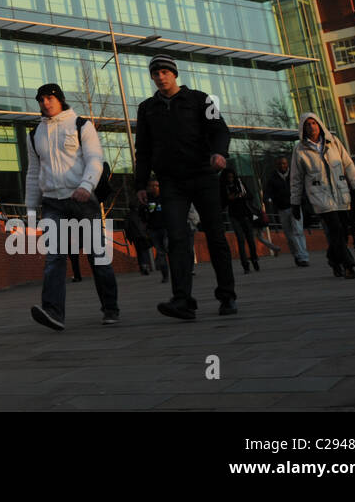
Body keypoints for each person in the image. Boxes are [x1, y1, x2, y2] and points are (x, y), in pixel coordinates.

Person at [133, 54, 236, 321]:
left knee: (215, 236)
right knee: (177, 239)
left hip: (203, 176)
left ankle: (227, 296)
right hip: (171, 182)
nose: (160, 76)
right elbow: (142, 150)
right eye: (155, 73)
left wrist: (219, 154)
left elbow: (221, 131)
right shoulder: (146, 109)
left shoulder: (203, 99)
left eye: (165, 71)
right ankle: (182, 301)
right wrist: (140, 184)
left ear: (174, 74)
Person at [25, 82, 119, 330]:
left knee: (97, 256)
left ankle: (110, 307)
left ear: (60, 99)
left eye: (50, 98)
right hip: (53, 203)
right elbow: (34, 173)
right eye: (41, 100)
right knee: (54, 257)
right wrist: (31, 209)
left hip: (82, 200)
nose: (45, 103)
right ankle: (53, 312)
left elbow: (95, 159)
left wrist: (86, 186)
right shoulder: (35, 134)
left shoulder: (81, 125)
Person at [290, 113, 355, 279]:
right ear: (303, 128)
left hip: (340, 194)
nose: (311, 127)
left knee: (343, 232)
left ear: (319, 124)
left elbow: (348, 164)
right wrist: (295, 202)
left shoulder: (334, 142)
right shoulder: (300, 150)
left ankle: (332, 258)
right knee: (335, 229)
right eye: (307, 124)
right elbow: (296, 178)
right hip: (320, 197)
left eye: (314, 123)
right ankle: (349, 266)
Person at [264, 154, 309, 266]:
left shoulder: (294, 175)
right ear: (276, 165)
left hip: (295, 207)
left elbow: (302, 188)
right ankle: (296, 255)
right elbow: (267, 193)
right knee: (289, 235)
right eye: (279, 164)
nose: (282, 165)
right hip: (282, 209)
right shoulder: (272, 178)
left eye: (284, 163)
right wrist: (268, 200)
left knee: (298, 232)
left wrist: (302, 200)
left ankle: (303, 257)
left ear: (287, 163)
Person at [220, 166, 261, 274]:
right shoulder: (223, 187)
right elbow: (222, 203)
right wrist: (229, 199)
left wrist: (240, 195)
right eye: (228, 177)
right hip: (234, 216)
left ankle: (254, 258)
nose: (230, 179)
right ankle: (245, 265)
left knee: (250, 240)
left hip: (245, 214)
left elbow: (250, 195)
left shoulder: (240, 183)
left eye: (232, 177)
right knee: (240, 240)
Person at [143, 177, 169, 283]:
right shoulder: (146, 199)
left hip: (166, 228)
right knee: (160, 252)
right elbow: (142, 215)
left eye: (156, 186)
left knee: (169, 248)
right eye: (152, 186)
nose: (154, 188)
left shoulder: (165, 197)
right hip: (154, 229)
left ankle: (179, 272)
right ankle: (165, 275)